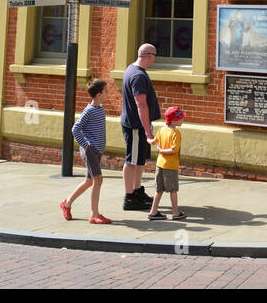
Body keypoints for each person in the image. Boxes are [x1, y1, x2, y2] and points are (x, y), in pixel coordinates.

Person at [61, 79, 112, 224]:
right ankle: (94, 215)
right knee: (98, 180)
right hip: (90, 150)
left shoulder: (99, 107)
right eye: (106, 91)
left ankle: (66, 203)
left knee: (89, 181)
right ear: (98, 94)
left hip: (96, 150)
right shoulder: (89, 110)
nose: (108, 93)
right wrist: (86, 145)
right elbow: (75, 129)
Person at [120, 43, 160, 211]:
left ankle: (136, 191)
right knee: (132, 161)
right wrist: (148, 131)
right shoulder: (138, 76)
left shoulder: (132, 69)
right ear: (149, 56)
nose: (154, 60)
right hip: (136, 126)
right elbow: (141, 105)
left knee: (139, 160)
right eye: (155, 57)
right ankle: (129, 197)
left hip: (136, 124)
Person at [148, 105, 186, 220]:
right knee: (173, 190)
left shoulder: (162, 130)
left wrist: (148, 138)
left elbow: (153, 141)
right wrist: (162, 150)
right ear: (174, 121)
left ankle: (153, 211)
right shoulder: (176, 134)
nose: (183, 120)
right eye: (180, 118)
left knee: (159, 190)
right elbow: (174, 150)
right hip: (171, 166)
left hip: (160, 164)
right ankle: (175, 213)